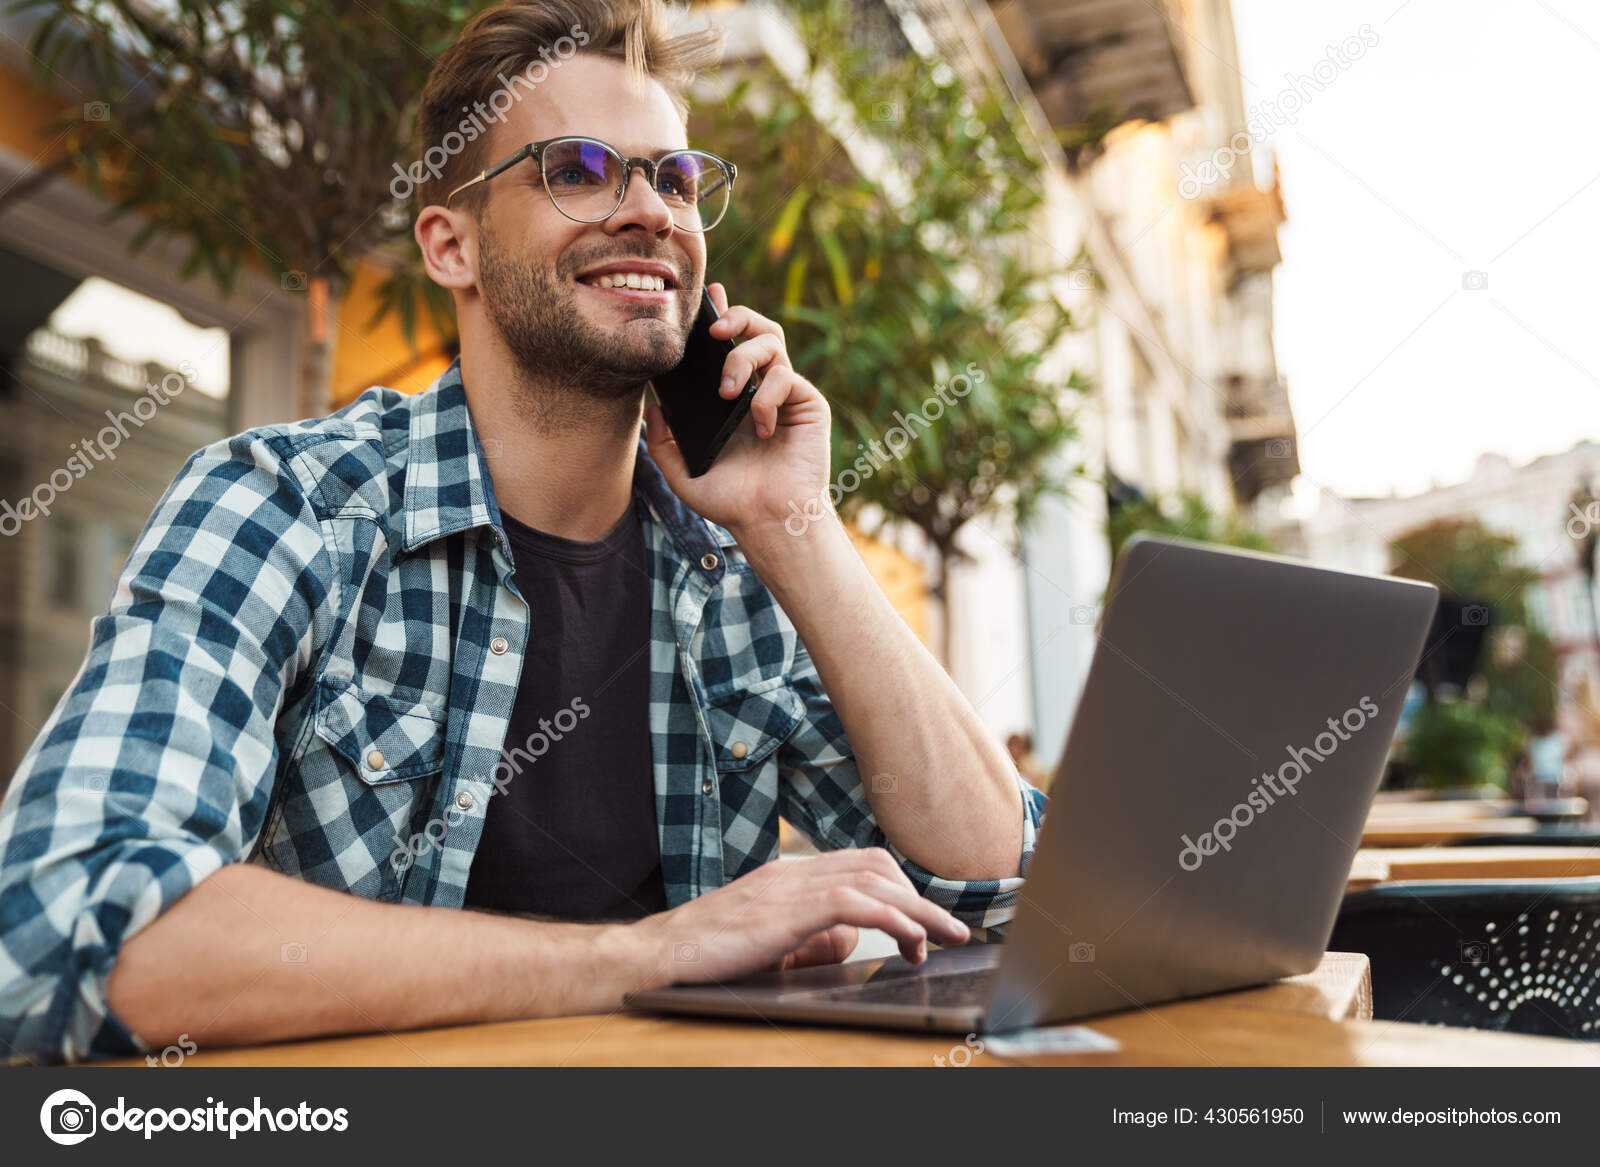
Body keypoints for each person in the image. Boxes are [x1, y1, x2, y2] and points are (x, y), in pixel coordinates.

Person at [0, 0, 1044, 1064]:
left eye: (674, 179)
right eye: (579, 168)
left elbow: (1009, 897)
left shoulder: (739, 569)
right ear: (451, 246)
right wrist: (646, 956)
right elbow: (66, 926)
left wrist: (798, 526)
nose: (649, 211)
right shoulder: (285, 508)